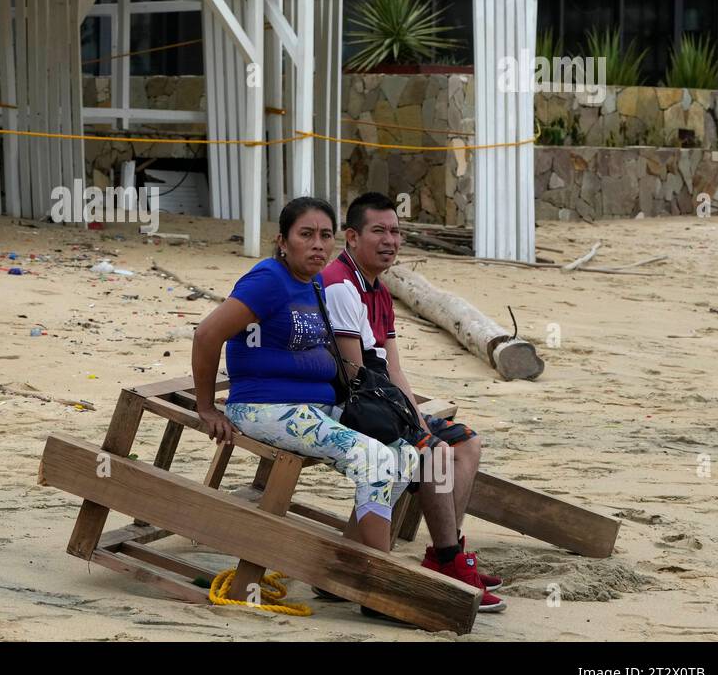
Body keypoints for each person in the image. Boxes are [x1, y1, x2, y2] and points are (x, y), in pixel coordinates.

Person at [191, 197, 419, 575]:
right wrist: (206, 407)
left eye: (325, 236)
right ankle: (382, 575)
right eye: (306, 234)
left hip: (312, 406)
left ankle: (346, 567)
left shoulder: (313, 282)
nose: (318, 244)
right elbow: (206, 334)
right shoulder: (268, 281)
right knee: (373, 459)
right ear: (283, 241)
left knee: (405, 455)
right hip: (265, 407)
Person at [322, 191, 503, 610]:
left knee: (466, 442)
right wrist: (416, 431)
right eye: (378, 231)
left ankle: (448, 553)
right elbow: (355, 376)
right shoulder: (340, 285)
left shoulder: (379, 290)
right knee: (434, 454)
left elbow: (394, 369)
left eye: (396, 232)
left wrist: (416, 418)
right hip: (349, 406)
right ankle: (448, 559)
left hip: (380, 398)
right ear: (351, 237)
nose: (390, 240)